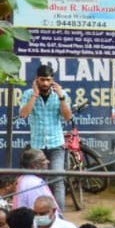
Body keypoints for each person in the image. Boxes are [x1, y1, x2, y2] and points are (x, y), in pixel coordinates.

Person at [18, 64, 72, 211]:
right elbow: (23, 114)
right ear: (37, 79)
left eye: (48, 80)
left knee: (58, 179)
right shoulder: (29, 94)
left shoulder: (61, 94)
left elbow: (68, 117)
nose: (45, 83)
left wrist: (61, 97)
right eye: (42, 80)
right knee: (37, 181)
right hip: (37, 146)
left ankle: (59, 216)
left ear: (52, 80)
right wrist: (35, 95)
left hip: (56, 144)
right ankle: (38, 214)